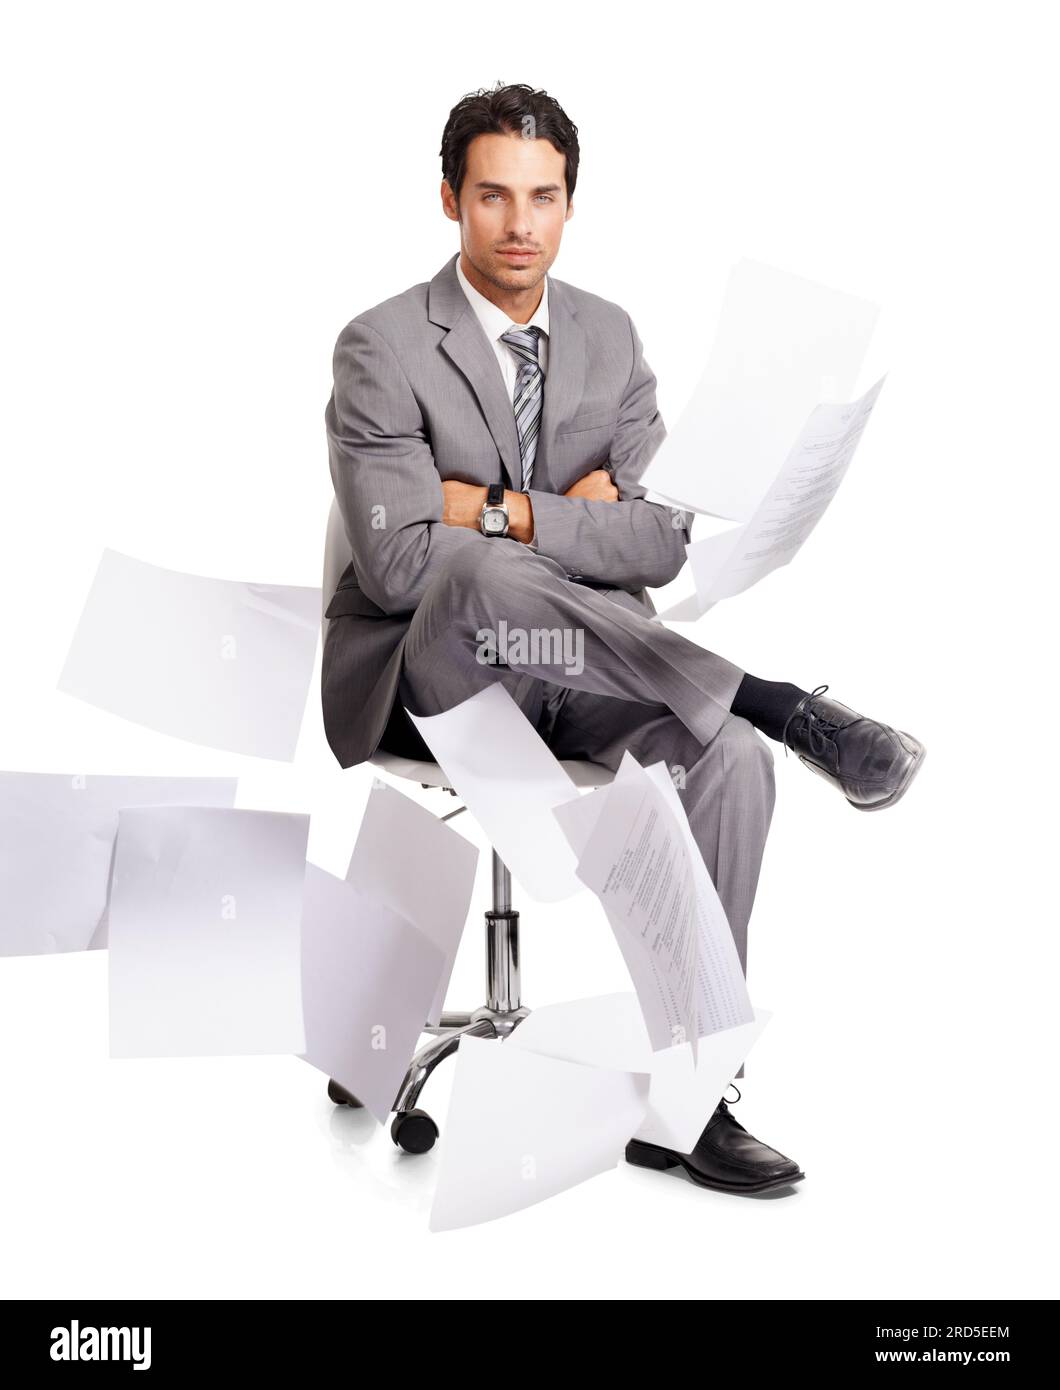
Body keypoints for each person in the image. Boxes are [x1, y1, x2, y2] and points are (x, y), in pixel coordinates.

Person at [321, 81, 925, 1196]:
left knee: (727, 759)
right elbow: (403, 562)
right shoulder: (381, 346)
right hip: (437, 671)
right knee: (473, 570)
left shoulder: (607, 336)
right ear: (449, 199)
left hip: (570, 665)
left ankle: (696, 1092)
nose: (519, 225)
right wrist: (550, 523)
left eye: (542, 197)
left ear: (569, 204)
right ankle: (774, 697)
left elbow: (658, 543)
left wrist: (486, 503)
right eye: (493, 196)